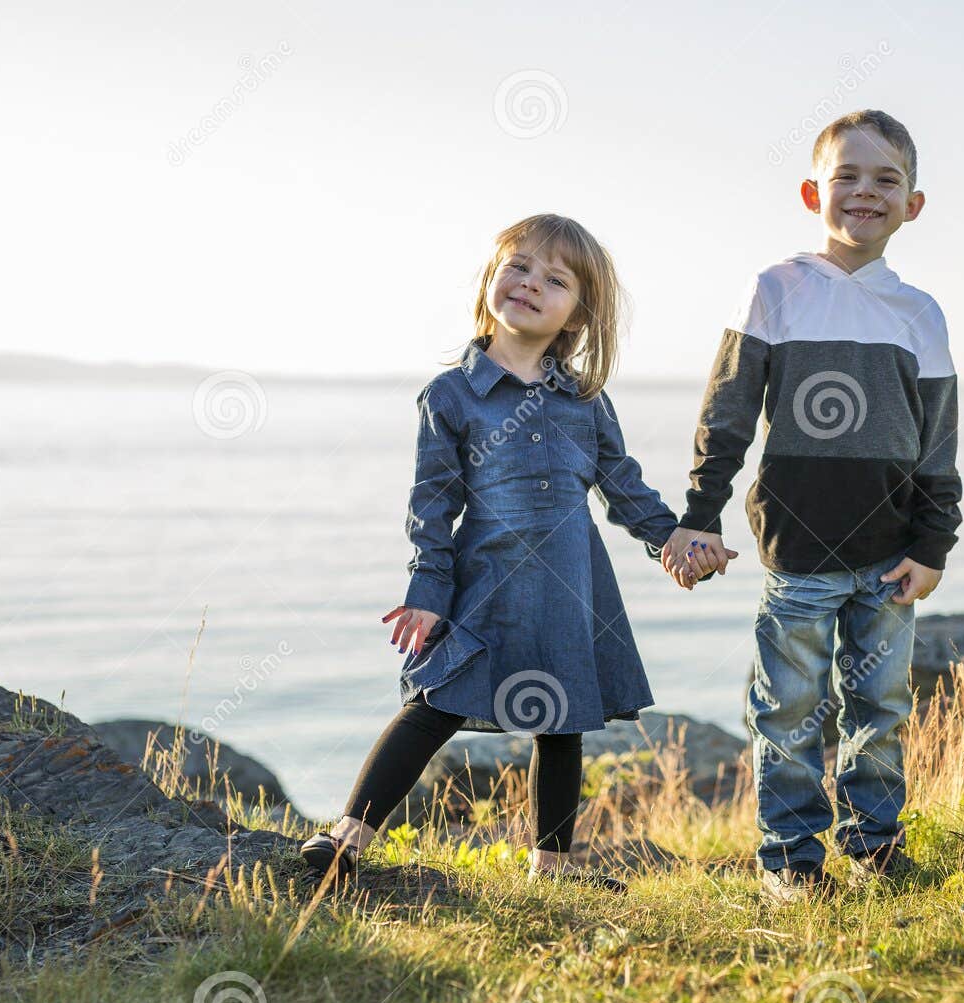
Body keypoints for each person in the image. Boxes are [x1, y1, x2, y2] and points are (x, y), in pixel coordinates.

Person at [301, 213, 719, 890]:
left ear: (576, 317)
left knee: (561, 718)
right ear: (490, 280)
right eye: (518, 266)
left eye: (554, 279)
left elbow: (624, 488)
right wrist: (427, 594)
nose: (530, 283)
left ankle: (551, 866)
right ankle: (349, 835)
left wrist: (673, 540)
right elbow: (432, 507)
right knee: (434, 699)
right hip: (484, 579)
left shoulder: (585, 399)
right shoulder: (451, 395)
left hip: (569, 585)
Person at [664, 110, 964, 904]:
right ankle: (791, 861)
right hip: (796, 549)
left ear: (914, 204)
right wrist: (701, 513)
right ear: (812, 192)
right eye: (847, 177)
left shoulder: (919, 314)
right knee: (789, 708)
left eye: (886, 180)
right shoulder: (775, 289)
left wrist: (934, 546)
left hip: (890, 554)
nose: (865, 192)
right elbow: (726, 413)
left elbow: (938, 443)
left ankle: (876, 844)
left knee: (881, 705)